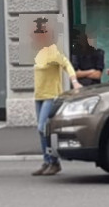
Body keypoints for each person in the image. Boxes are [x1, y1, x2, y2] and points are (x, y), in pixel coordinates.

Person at [32, 21, 81, 176]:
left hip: (51, 96)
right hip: (39, 96)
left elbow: (67, 65)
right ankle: (47, 161)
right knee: (41, 130)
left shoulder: (53, 51)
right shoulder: (38, 53)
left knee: (43, 128)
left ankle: (54, 162)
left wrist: (74, 82)